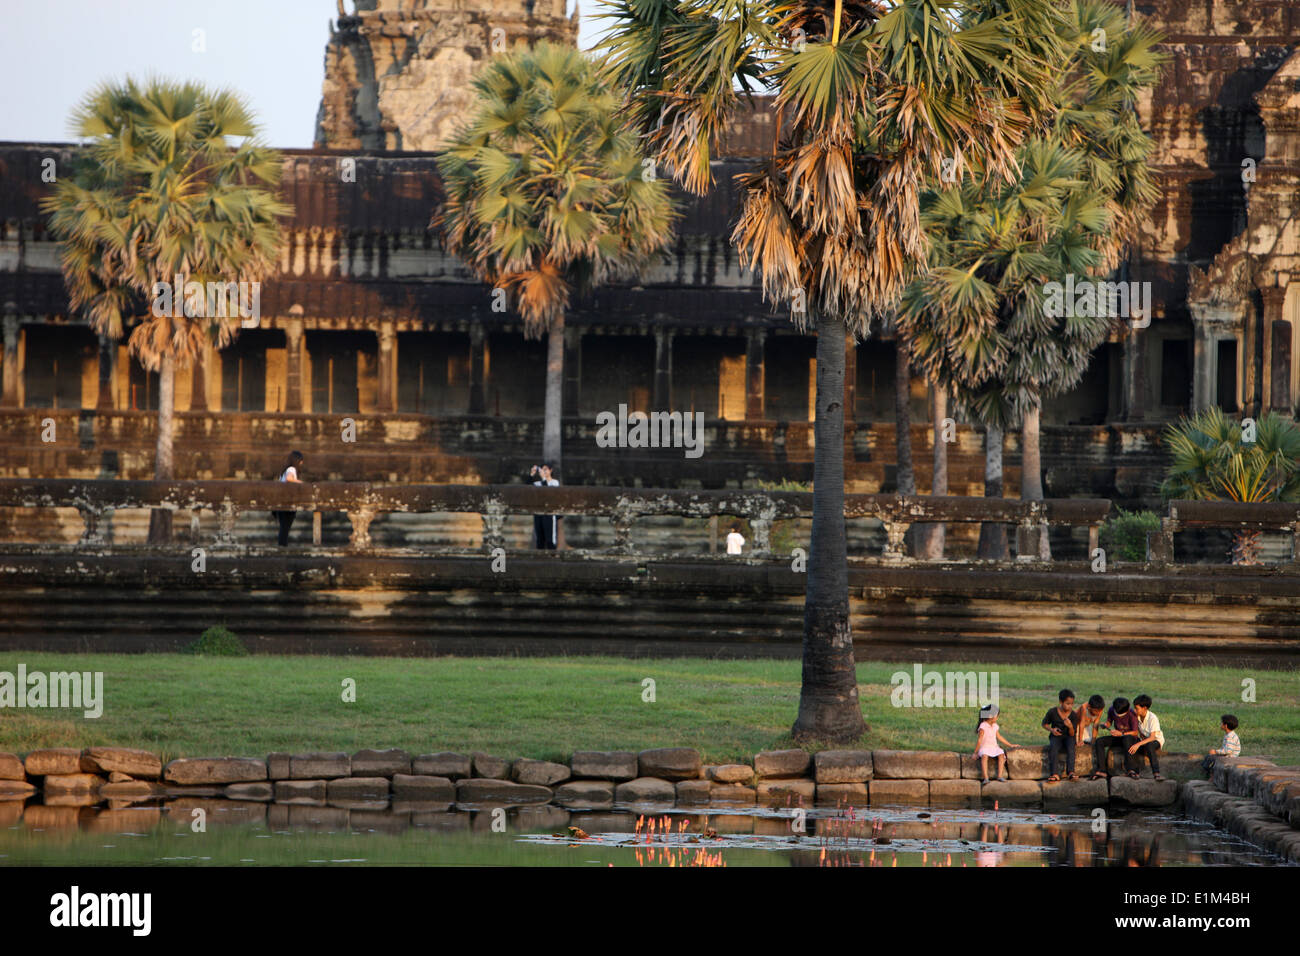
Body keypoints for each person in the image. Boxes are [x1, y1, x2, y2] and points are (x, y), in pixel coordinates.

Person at [1091, 696, 1141, 780]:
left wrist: (1122, 733)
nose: (1118, 715)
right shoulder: (1112, 709)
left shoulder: (1132, 714)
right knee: (1099, 741)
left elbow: (1135, 732)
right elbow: (1109, 721)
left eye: (1120, 715)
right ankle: (1102, 770)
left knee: (1127, 738)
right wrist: (1106, 725)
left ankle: (1131, 769)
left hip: (1130, 738)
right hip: (1118, 737)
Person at [975, 703, 1018, 784]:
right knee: (984, 757)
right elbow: (980, 740)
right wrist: (975, 752)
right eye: (997, 716)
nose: (997, 717)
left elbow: (999, 737)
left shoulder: (995, 726)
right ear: (991, 716)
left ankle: (999, 776)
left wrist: (1010, 745)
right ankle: (986, 778)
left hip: (994, 747)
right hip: (984, 747)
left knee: (1001, 755)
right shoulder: (983, 726)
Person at [1043, 689, 1077, 782]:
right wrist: (1052, 730)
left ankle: (1071, 772)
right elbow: (1044, 724)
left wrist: (1070, 726)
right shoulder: (1053, 712)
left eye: (1071, 704)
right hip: (1056, 735)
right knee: (1053, 748)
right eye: (1067, 703)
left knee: (1071, 748)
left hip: (1069, 736)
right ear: (1060, 702)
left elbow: (1072, 733)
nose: (1070, 706)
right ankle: (1054, 773)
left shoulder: (1073, 715)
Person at [1130, 694, 1165, 781]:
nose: (1135, 710)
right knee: (1132, 745)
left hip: (1155, 741)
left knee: (1149, 745)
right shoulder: (1137, 717)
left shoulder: (1152, 718)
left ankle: (1156, 773)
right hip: (1145, 740)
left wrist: (1138, 744)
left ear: (1144, 708)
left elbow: (1152, 737)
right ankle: (1135, 771)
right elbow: (1140, 733)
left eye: (1137, 708)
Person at [274, 451, 304, 547]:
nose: (302, 463)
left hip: (280, 502)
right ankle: (283, 546)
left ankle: (282, 545)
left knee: (284, 527)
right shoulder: (291, 469)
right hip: (287, 502)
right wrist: (300, 482)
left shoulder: (285, 470)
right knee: (285, 527)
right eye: (301, 461)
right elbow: (289, 478)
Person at [526, 463, 559, 549]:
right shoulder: (538, 483)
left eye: (545, 469)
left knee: (550, 539)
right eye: (542, 470)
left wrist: (544, 478)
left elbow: (548, 492)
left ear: (550, 470)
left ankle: (552, 557)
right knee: (540, 539)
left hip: (549, 514)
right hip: (538, 513)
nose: (544, 472)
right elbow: (526, 489)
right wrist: (531, 475)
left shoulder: (554, 482)